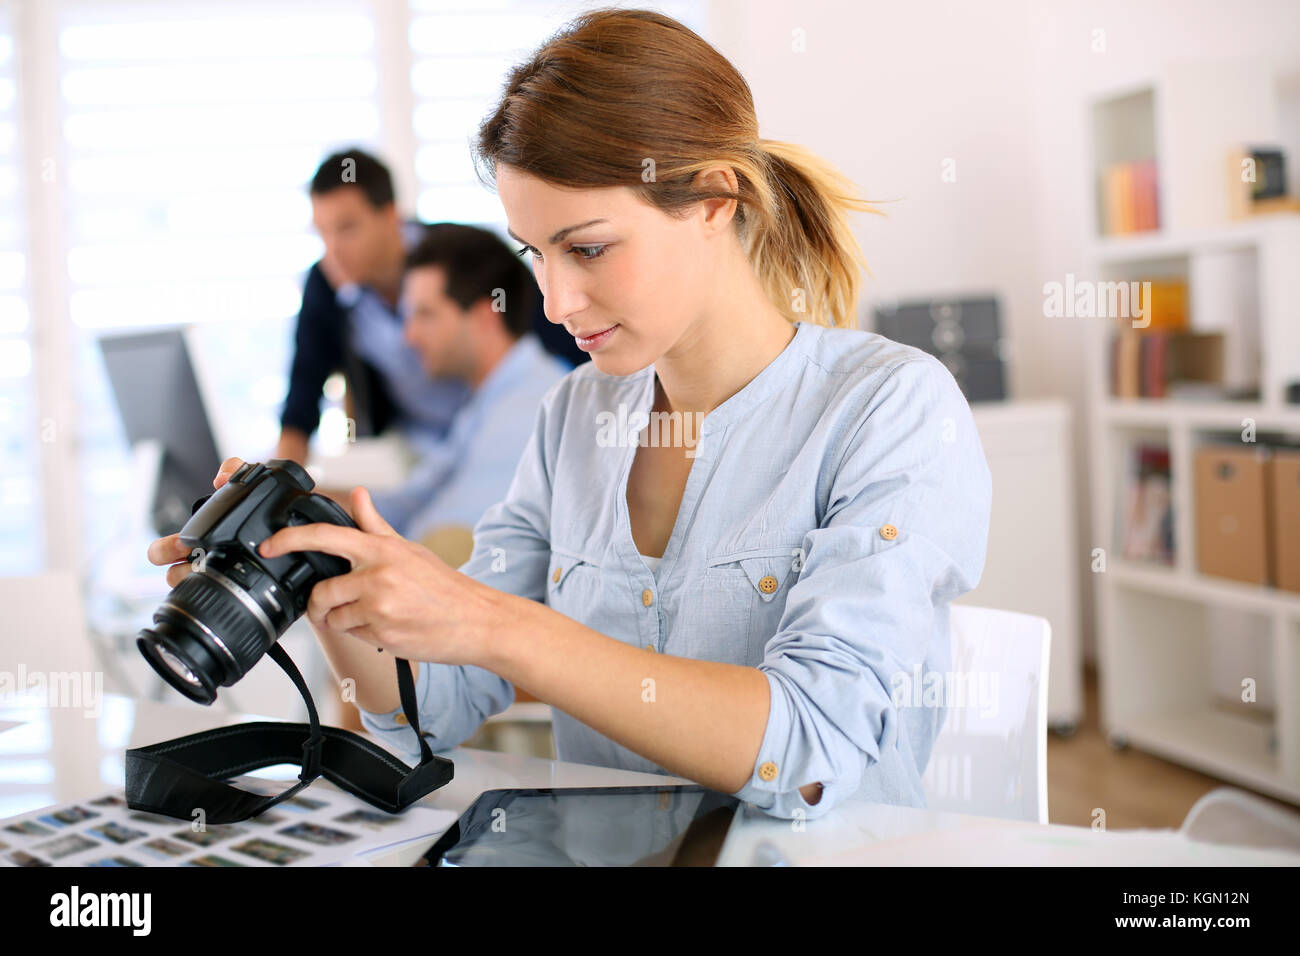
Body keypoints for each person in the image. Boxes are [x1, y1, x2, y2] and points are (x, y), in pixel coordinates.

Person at [149, 8, 991, 821]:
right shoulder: (574, 419)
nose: (553, 302)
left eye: (586, 247)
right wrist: (325, 575)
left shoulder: (890, 409)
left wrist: (500, 628)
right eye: (534, 254)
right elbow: (426, 714)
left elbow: (812, 745)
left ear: (714, 201)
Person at [275, 148, 585, 465]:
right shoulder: (326, 284)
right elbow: (303, 393)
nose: (333, 250)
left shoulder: (461, 254)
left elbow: (559, 335)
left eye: (346, 228)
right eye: (323, 232)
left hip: (494, 430)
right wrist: (276, 484)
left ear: (390, 216)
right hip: (418, 445)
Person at [362, 222, 571, 562]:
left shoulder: (529, 409)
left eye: (425, 315)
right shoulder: (487, 400)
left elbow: (445, 546)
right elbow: (405, 503)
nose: (408, 336)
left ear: (484, 317)